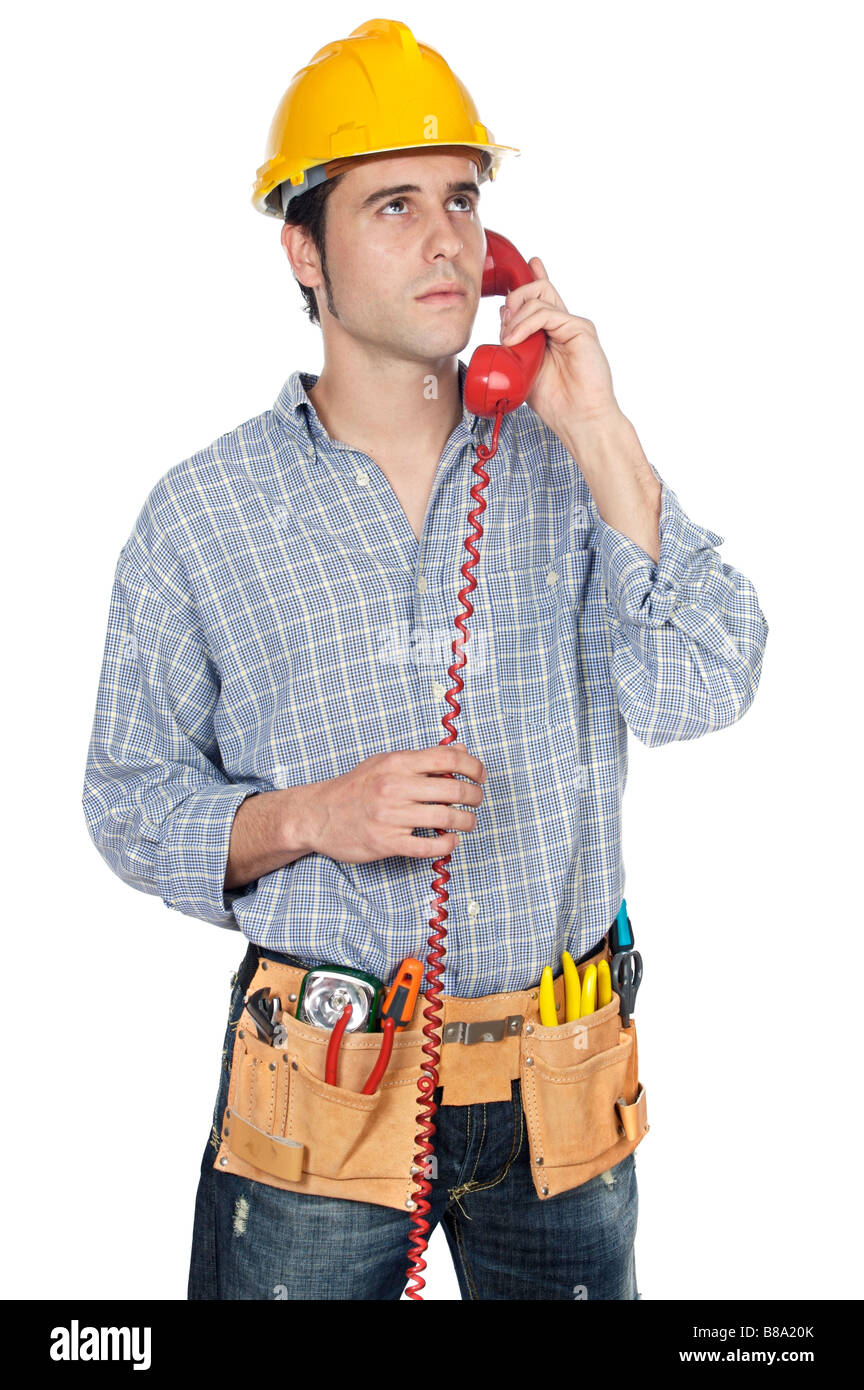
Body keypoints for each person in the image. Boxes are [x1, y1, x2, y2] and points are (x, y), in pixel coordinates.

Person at [81, 19, 768, 1301]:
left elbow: (708, 681)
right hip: (317, 1099)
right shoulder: (200, 515)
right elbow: (126, 801)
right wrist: (314, 815)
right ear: (304, 249)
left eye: (463, 198)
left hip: (558, 1097)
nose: (446, 236)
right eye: (393, 204)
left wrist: (605, 429)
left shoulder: (571, 464)